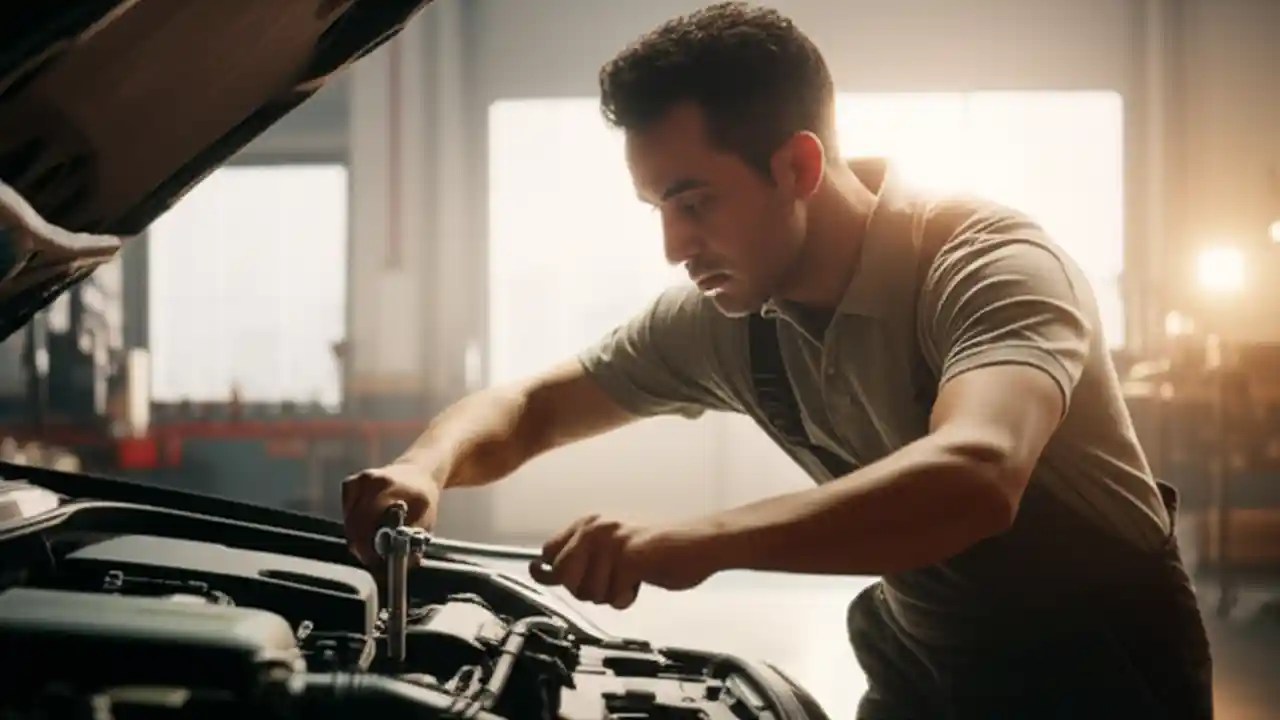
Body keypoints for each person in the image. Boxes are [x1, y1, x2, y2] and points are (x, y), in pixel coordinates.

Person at [342, 3, 1212, 717]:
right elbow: (533, 408)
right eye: (657, 208)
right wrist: (426, 466)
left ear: (797, 163)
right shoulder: (728, 315)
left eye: (695, 201)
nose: (675, 246)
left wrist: (694, 540)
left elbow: (977, 476)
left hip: (1102, 671)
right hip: (923, 664)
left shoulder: (988, 264)